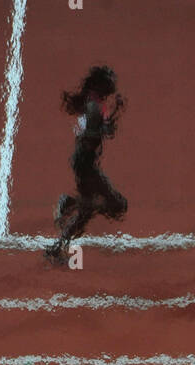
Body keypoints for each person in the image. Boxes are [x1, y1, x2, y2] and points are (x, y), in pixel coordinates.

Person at [45, 65, 127, 265]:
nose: (112, 86)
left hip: (85, 163)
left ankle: (70, 207)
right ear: (100, 85)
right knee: (113, 206)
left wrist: (113, 117)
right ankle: (68, 212)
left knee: (98, 209)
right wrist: (106, 126)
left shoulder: (94, 103)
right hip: (85, 164)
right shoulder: (93, 107)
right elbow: (92, 136)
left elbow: (100, 130)